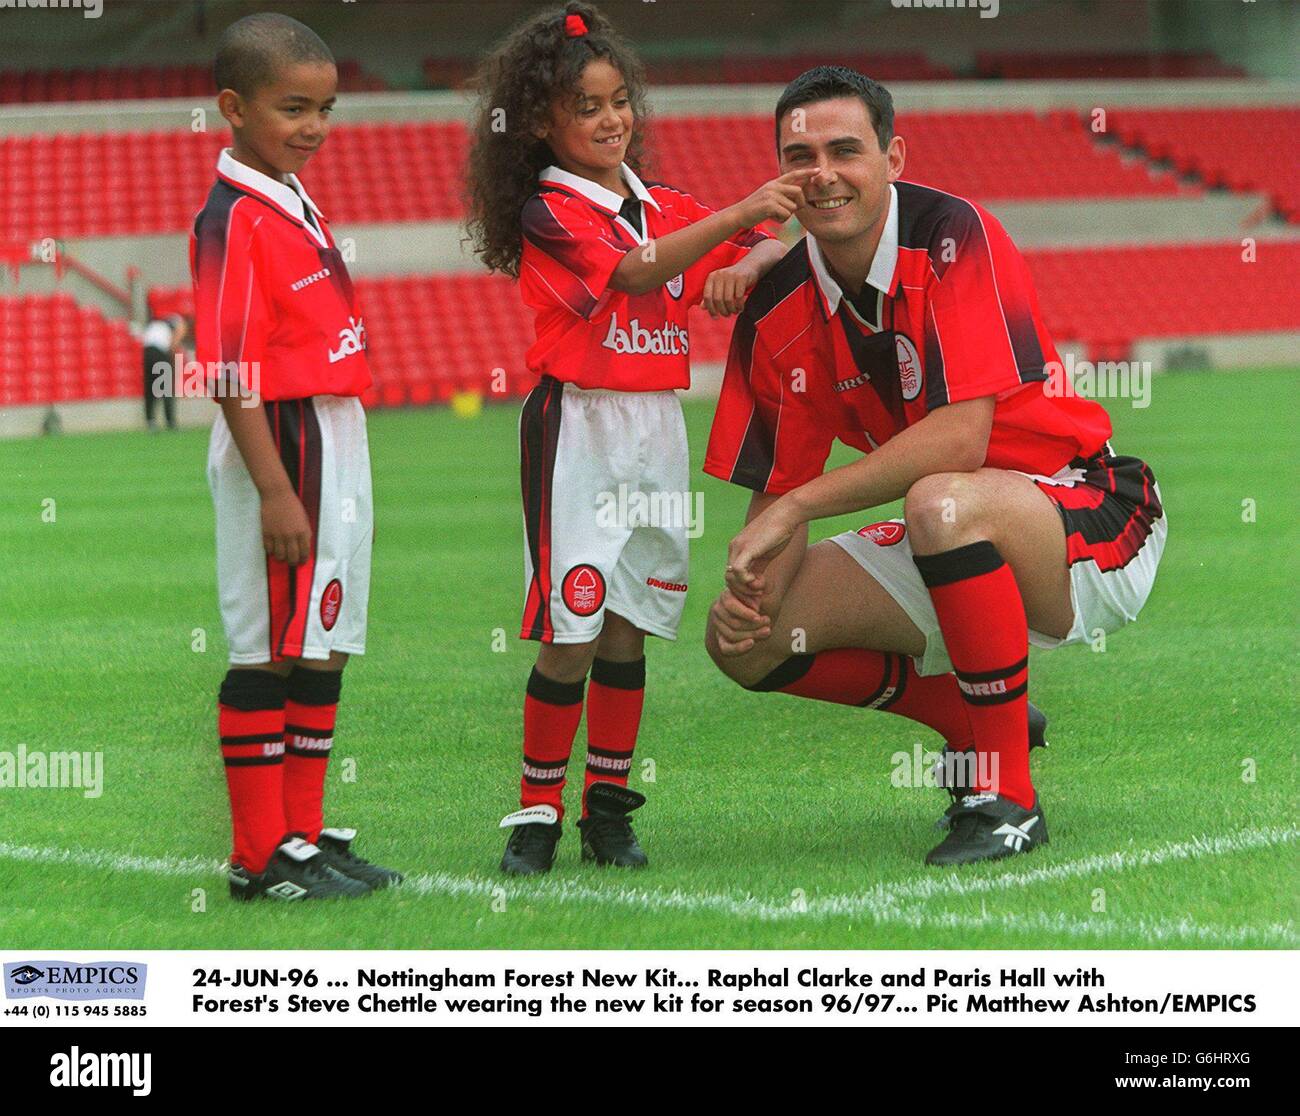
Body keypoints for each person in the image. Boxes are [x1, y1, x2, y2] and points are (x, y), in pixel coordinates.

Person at [702, 67, 1166, 867]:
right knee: (749, 643)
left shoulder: (955, 235)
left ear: (894, 157)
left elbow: (959, 439)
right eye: (799, 155)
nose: (822, 173)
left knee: (940, 500)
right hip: (949, 526)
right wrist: (749, 599)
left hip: (1084, 512)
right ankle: (969, 720)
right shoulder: (777, 305)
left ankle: (1008, 798)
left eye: (845, 150)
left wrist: (798, 507)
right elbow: (780, 488)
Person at [465, 2, 809, 875]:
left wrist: (744, 261)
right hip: (579, 426)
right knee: (571, 628)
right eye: (587, 105)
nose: (612, 118)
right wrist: (735, 222)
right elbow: (634, 270)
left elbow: (782, 239)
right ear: (544, 122)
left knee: (631, 623)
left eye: (620, 100)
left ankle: (607, 813)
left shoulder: (660, 203)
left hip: (656, 426)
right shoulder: (551, 208)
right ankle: (536, 815)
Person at [191, 11, 401, 900]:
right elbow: (230, 369)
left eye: (325, 107)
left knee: (323, 640)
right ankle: (256, 854)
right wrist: (276, 493)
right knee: (269, 648)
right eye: (292, 108)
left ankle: (304, 835)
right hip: (281, 439)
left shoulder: (290, 195)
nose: (313, 126)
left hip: (332, 431)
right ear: (233, 108)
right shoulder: (233, 217)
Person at [142, 312, 187, 430]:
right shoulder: (177, 321)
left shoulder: (155, 325)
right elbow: (176, 338)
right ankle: (170, 421)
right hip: (160, 353)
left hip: (147, 353)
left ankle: (150, 421)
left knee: (150, 388)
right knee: (166, 389)